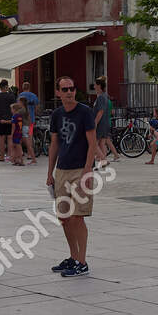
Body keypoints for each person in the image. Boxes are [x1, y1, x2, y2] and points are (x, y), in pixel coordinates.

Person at [45, 75, 98, 278]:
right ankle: (73, 257)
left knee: (78, 217)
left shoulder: (85, 112)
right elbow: (55, 144)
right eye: (65, 89)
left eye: (72, 88)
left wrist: (87, 169)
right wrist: (50, 172)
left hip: (79, 170)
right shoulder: (57, 115)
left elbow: (92, 143)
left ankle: (82, 262)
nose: (69, 92)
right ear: (58, 92)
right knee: (65, 218)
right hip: (62, 170)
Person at [92, 78, 119, 163]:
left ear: (99, 86)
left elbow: (101, 111)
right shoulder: (105, 97)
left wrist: (95, 122)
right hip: (105, 123)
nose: (94, 86)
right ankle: (103, 161)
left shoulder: (101, 97)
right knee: (102, 143)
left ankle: (103, 159)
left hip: (101, 123)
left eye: (95, 85)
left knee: (94, 143)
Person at [0, 80, 16, 162]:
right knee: (9, 137)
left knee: (1, 137)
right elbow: (14, 107)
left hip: (0, 119)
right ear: (6, 87)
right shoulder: (11, 96)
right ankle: (9, 155)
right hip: (10, 119)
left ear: (0, 87)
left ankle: (2, 156)